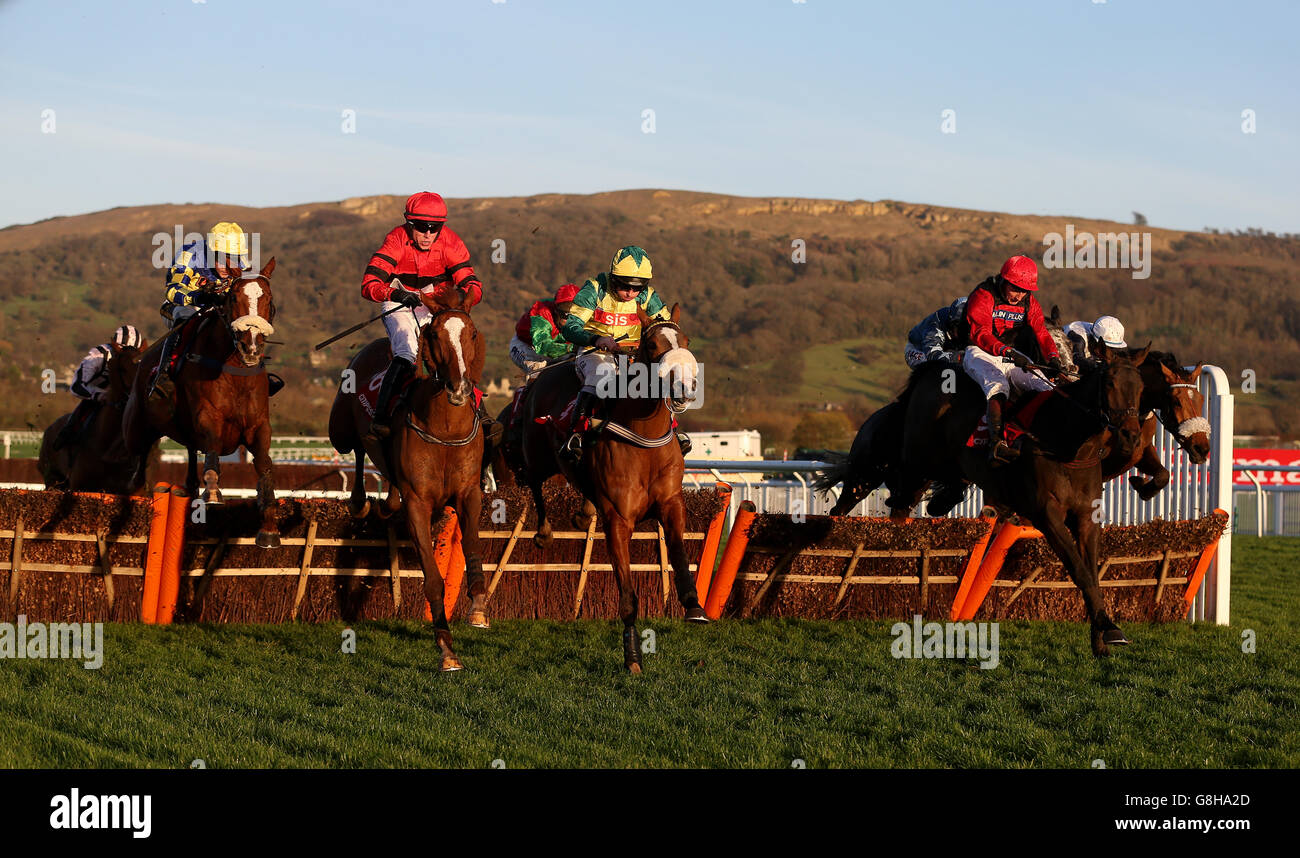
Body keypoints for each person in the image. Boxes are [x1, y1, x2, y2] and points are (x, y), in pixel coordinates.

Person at [359, 191, 496, 445]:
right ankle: (381, 420)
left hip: (435, 305)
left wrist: (466, 298)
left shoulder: (451, 243)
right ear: (409, 223)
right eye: (422, 227)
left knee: (454, 349)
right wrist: (396, 293)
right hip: (400, 303)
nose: (428, 234)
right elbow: (368, 285)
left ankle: (481, 413)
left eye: (435, 228)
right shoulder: (396, 240)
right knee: (407, 351)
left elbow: (472, 282)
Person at [558, 245, 685, 462]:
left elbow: (664, 326)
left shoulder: (648, 296)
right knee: (602, 375)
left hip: (633, 356)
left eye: (637, 288)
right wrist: (597, 339)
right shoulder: (595, 289)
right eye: (625, 286)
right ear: (613, 278)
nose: (631, 293)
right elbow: (571, 326)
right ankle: (576, 433)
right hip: (593, 352)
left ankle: (672, 430)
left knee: (659, 380)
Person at [959, 255, 1067, 465]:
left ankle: (1033, 435)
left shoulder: (1029, 302)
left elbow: (1041, 333)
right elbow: (979, 332)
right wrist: (1007, 352)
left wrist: (1053, 359)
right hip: (980, 352)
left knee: (1045, 386)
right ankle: (997, 444)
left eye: (1024, 291)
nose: (1018, 295)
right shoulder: (984, 295)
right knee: (999, 386)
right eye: (1015, 288)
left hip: (1011, 354)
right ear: (1003, 281)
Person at [149, 222, 247, 402]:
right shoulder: (189, 254)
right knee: (186, 314)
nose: (228, 265)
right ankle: (163, 374)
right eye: (223, 258)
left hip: (218, 310)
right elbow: (172, 291)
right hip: (181, 306)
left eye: (234, 258)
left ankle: (252, 371)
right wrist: (199, 298)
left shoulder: (243, 263)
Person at [53, 325, 142, 450]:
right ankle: (64, 443)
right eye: (122, 351)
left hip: (124, 398)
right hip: (95, 397)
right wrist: (99, 394)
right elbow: (76, 385)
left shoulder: (139, 360)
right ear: (114, 346)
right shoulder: (97, 356)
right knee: (78, 418)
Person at [510, 284, 579, 374]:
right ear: (556, 310)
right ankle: (529, 386)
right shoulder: (542, 315)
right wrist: (572, 348)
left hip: (561, 348)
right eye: (566, 314)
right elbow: (543, 346)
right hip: (527, 347)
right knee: (538, 370)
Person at [904, 297, 967, 368]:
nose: (966, 331)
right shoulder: (936, 324)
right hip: (918, 348)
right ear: (952, 324)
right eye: (961, 327)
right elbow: (932, 354)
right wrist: (958, 358)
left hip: (947, 347)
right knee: (930, 365)